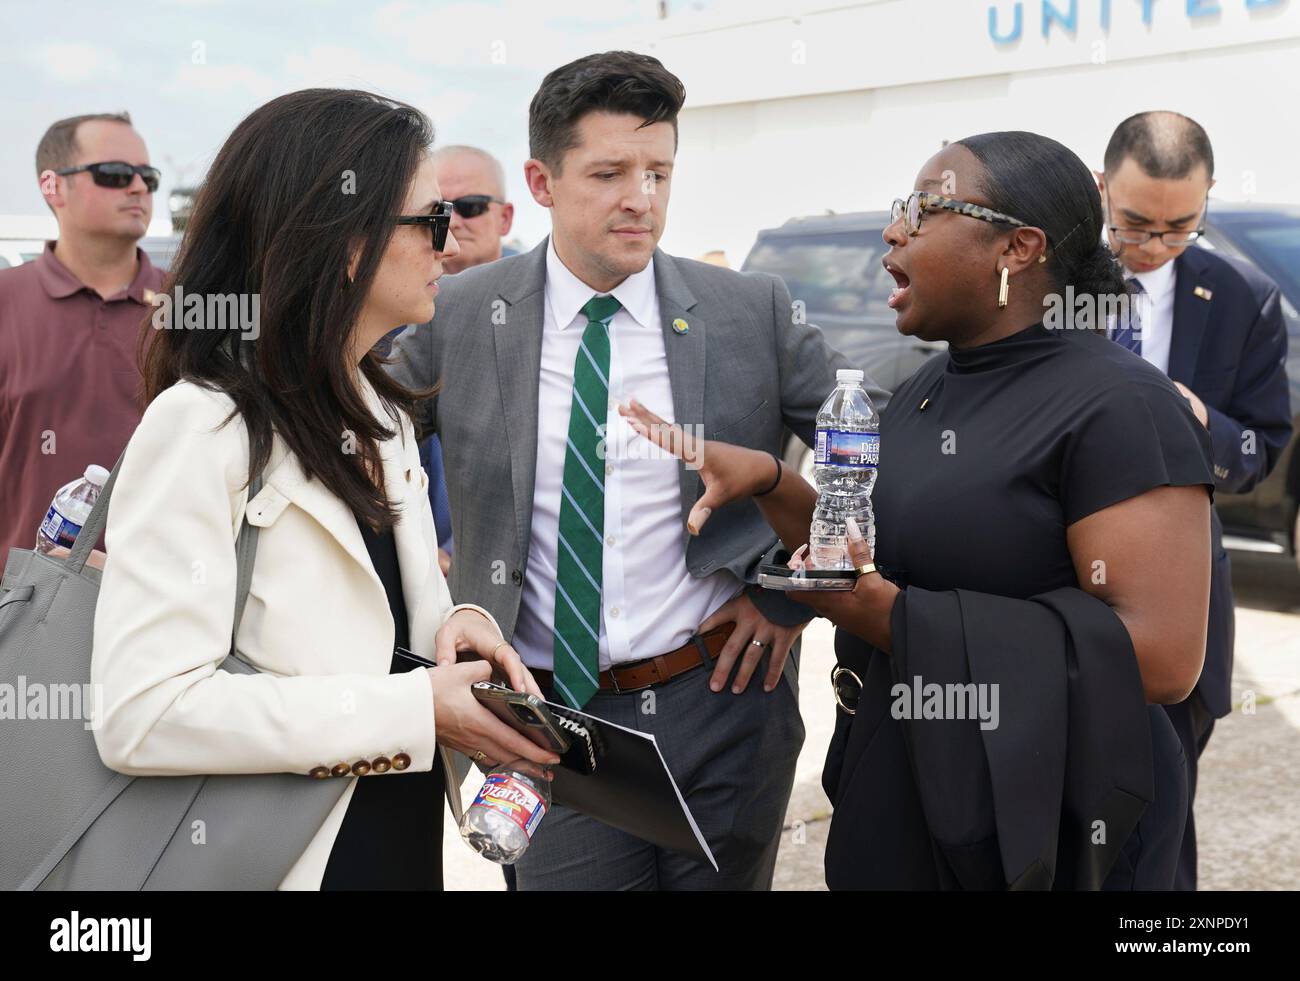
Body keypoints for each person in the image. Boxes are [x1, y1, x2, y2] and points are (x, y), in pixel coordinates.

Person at [622, 130, 1215, 890]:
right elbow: (871, 560)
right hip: (911, 784)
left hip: (1050, 811)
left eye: (924, 208)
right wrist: (772, 480)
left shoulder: (1121, 405)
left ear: (1018, 247)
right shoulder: (924, 392)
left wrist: (893, 617)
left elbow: (1162, 656)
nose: (892, 229)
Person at [388, 51, 875, 890]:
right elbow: (352, 439)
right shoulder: (462, 313)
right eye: (609, 172)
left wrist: (792, 592)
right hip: (546, 726)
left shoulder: (746, 310)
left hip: (722, 703)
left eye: (658, 172)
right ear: (541, 182)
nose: (639, 198)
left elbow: (868, 444)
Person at [91, 88, 559, 892]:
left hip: (397, 841)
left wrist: (457, 629)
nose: (448, 249)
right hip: (278, 860)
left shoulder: (377, 410)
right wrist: (417, 710)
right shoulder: (203, 427)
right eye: (431, 221)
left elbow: (359, 626)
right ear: (348, 241)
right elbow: (142, 715)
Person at [1097, 111, 1293, 890]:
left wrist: (1201, 423)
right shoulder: (1041, 277)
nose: (1154, 244)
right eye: (1135, 222)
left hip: (1177, 612)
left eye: (1182, 226)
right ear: (1100, 187)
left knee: (1159, 835)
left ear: (1208, 198)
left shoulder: (1244, 297)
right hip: (1049, 593)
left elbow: (1260, 450)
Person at [0, 111, 165, 556]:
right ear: (53, 187)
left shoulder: (192, 308)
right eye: (114, 174)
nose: (137, 188)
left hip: (161, 602)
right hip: (22, 608)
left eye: (148, 177)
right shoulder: (6, 300)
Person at [422, 145, 519, 573]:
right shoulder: (389, 314)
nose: (455, 220)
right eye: (440, 209)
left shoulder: (551, 313)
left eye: (472, 206)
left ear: (506, 218)